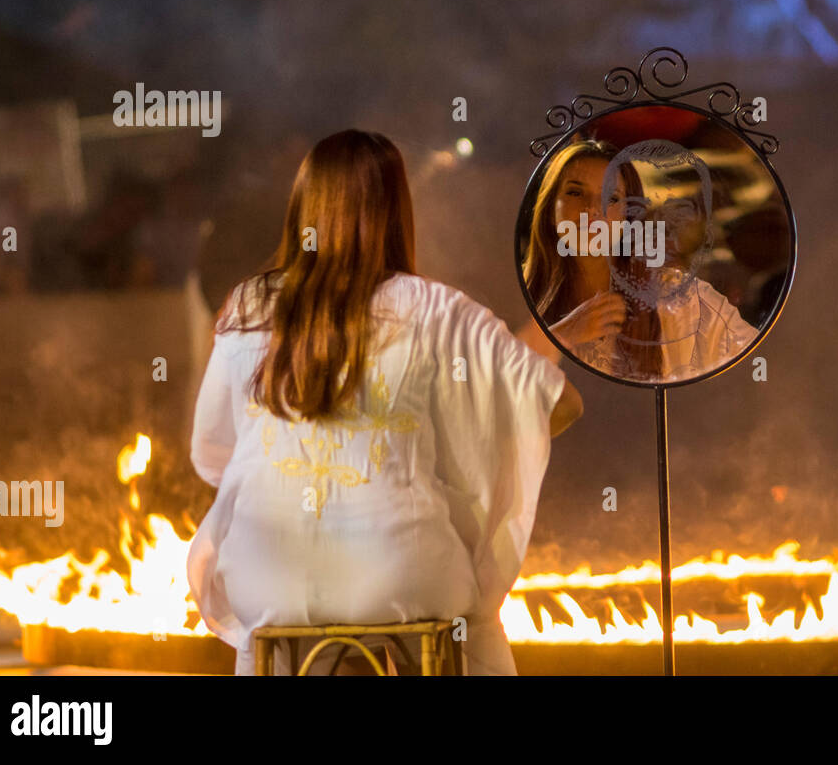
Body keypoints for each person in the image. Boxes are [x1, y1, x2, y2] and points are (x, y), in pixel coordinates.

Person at [186, 130, 583, 675]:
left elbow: (213, 455)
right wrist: (472, 442)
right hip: (398, 571)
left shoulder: (248, 306)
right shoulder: (437, 310)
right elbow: (557, 405)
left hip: (265, 575)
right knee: (475, 621)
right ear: (397, 210)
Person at [518, 138, 757, 382]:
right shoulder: (514, 297)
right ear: (549, 209)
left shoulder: (680, 301)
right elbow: (491, 384)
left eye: (611, 198)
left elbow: (754, 364)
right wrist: (563, 334)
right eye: (575, 192)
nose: (591, 208)